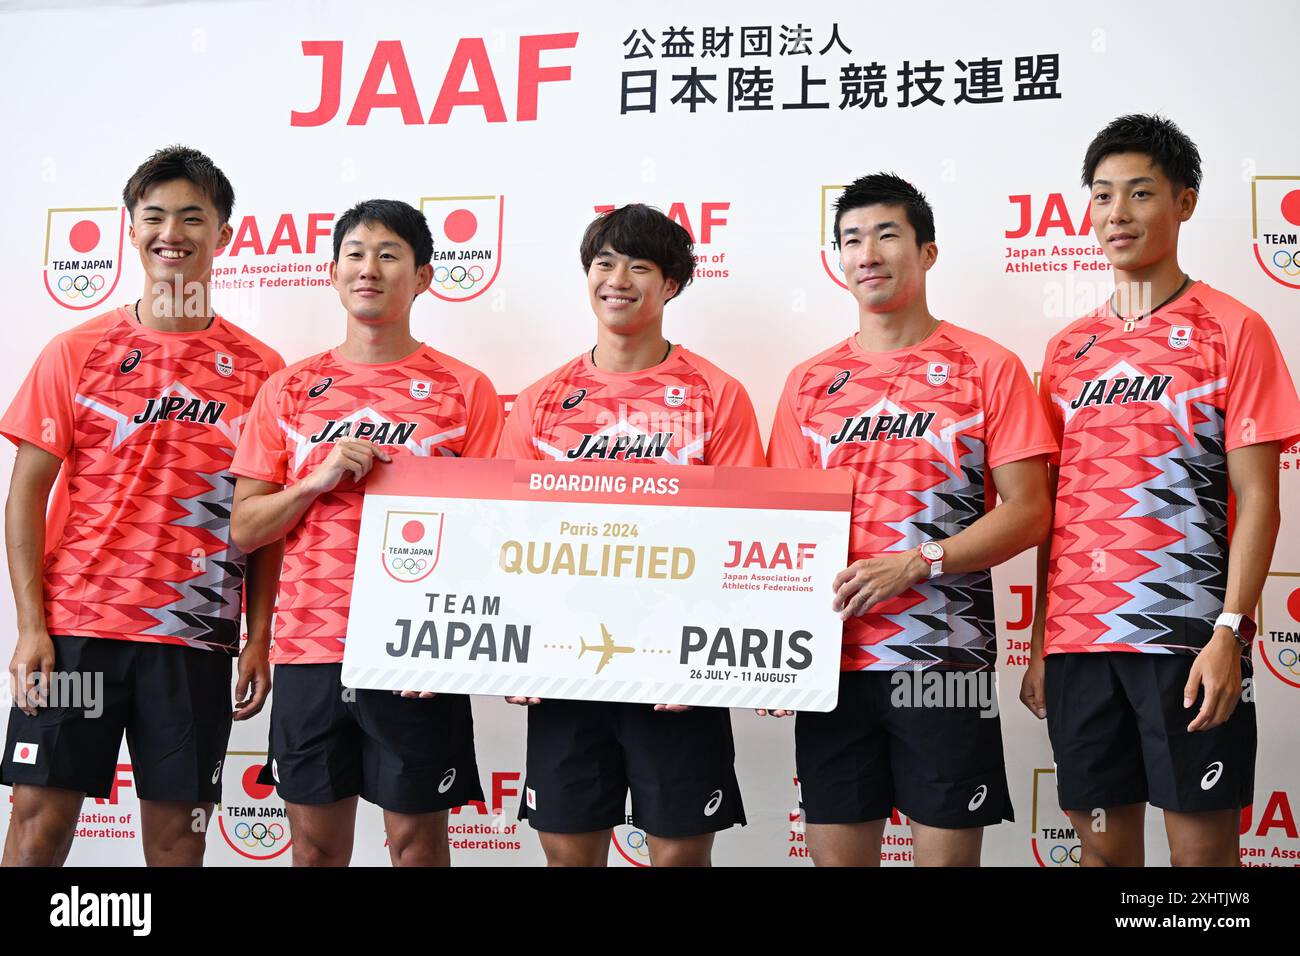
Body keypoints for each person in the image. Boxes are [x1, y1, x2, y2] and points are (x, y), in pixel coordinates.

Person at [1021, 114, 1300, 866]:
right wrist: (1046, 635)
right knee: (1107, 856)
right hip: (1080, 644)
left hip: (1185, 639)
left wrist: (1231, 631)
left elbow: (1260, 501)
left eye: (1140, 193)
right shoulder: (1066, 349)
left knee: (1200, 863)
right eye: (1103, 195)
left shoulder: (1233, 329)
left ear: (1185, 202)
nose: (1117, 214)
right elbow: (1059, 505)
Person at [2, 146, 284, 866]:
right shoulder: (78, 350)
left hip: (191, 640)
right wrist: (32, 627)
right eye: (154, 215)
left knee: (177, 841)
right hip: (79, 631)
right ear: (129, 229)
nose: (172, 233)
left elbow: (266, 520)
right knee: (38, 823)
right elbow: (25, 494)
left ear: (224, 235)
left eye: (194, 217)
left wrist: (258, 636)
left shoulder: (262, 372)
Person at [767, 173, 1056, 866]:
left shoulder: (988, 366)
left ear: (927, 252)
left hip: (944, 661)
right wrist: (771, 654)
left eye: (887, 234)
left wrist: (921, 562)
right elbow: (777, 526)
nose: (867, 253)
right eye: (851, 239)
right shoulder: (808, 382)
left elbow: (1031, 511)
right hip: (830, 667)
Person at [229, 199, 502, 866]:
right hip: (309, 651)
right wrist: (311, 484)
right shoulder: (289, 390)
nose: (369, 269)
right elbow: (243, 527)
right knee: (316, 850)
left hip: (416, 652)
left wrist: (448, 649)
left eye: (388, 256)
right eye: (354, 254)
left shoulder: (465, 390)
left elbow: (495, 536)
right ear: (332, 271)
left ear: (425, 277)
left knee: (415, 847)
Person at [497, 204, 764, 866]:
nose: (617, 279)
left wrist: (702, 661)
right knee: (567, 853)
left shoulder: (717, 394)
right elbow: (504, 534)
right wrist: (516, 651)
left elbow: (748, 532)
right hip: (565, 664)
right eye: (604, 263)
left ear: (671, 284)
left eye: (639, 266)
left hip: (678, 667)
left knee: (677, 856)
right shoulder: (540, 400)